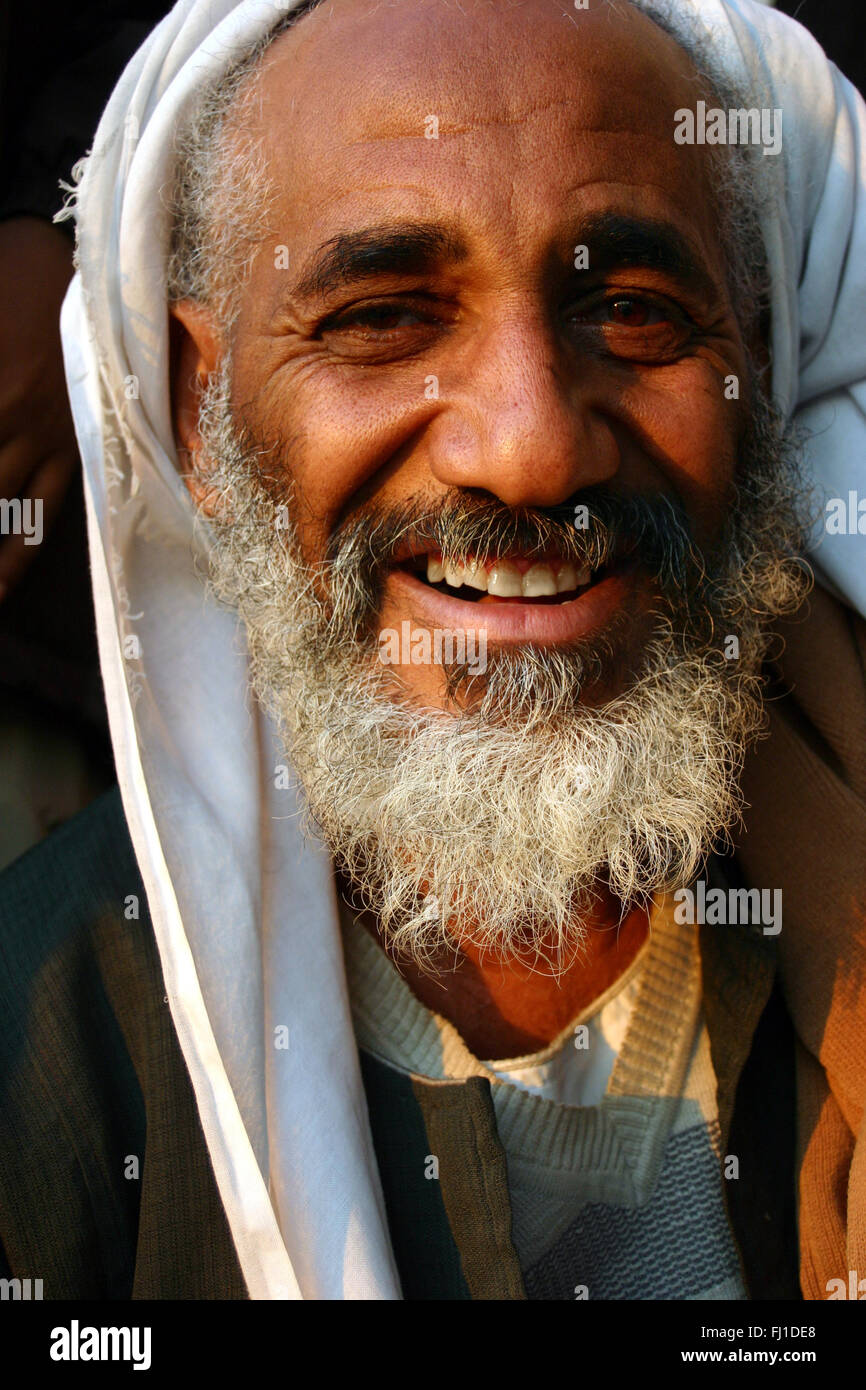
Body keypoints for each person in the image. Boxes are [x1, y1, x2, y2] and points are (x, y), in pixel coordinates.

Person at [0, 0, 864, 1301]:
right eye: (381, 318)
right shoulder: (41, 1043)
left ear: (758, 356)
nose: (527, 449)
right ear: (200, 412)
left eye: (630, 308)